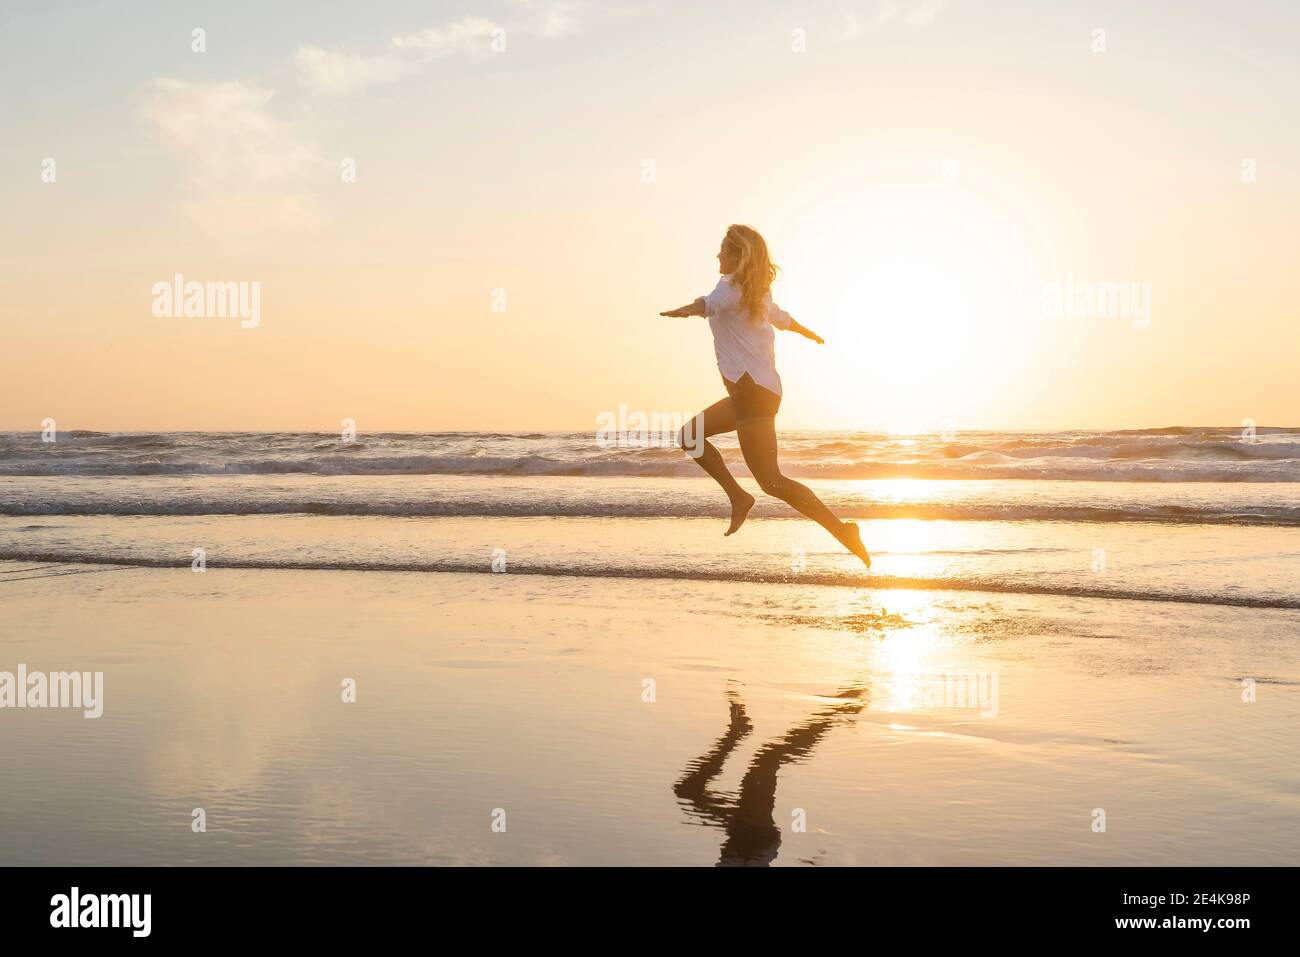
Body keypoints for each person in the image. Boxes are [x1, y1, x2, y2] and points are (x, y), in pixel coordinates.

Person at [660, 224, 871, 567]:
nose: (717, 255)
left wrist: (686, 310)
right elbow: (781, 318)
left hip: (752, 394)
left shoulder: (729, 289)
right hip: (754, 392)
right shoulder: (755, 293)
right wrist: (807, 332)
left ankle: (842, 530)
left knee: (772, 481)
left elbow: (709, 305)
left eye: (723, 250)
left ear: (737, 256)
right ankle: (739, 497)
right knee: (690, 435)